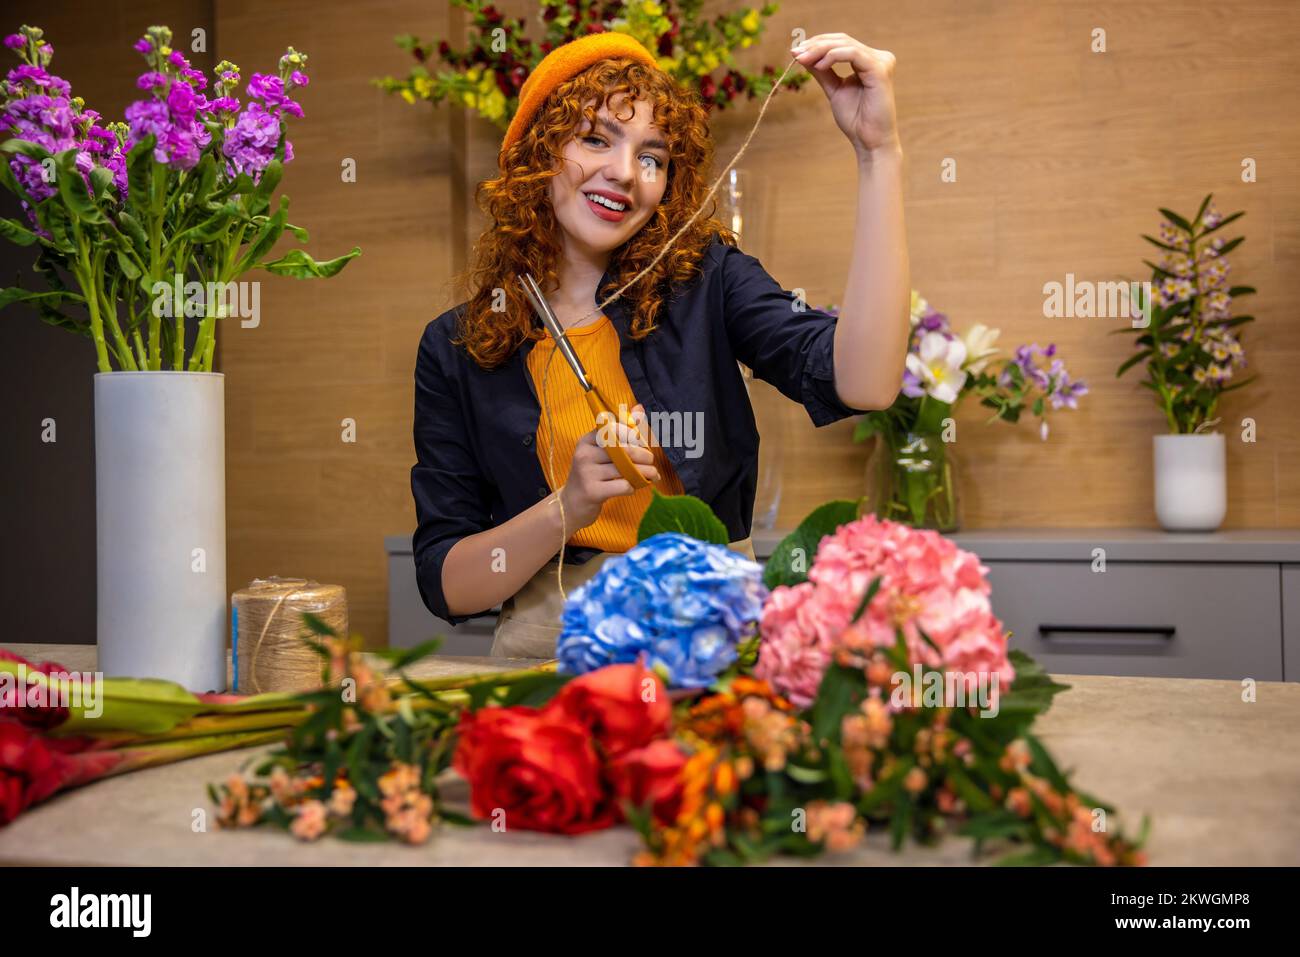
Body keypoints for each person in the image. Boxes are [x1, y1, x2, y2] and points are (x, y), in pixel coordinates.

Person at [412, 30, 909, 658]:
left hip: (716, 647)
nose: (624, 173)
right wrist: (569, 505)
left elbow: (863, 382)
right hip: (549, 659)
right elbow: (447, 584)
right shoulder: (455, 346)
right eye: (595, 138)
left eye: (653, 156)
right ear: (536, 152)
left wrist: (878, 152)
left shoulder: (710, 280)